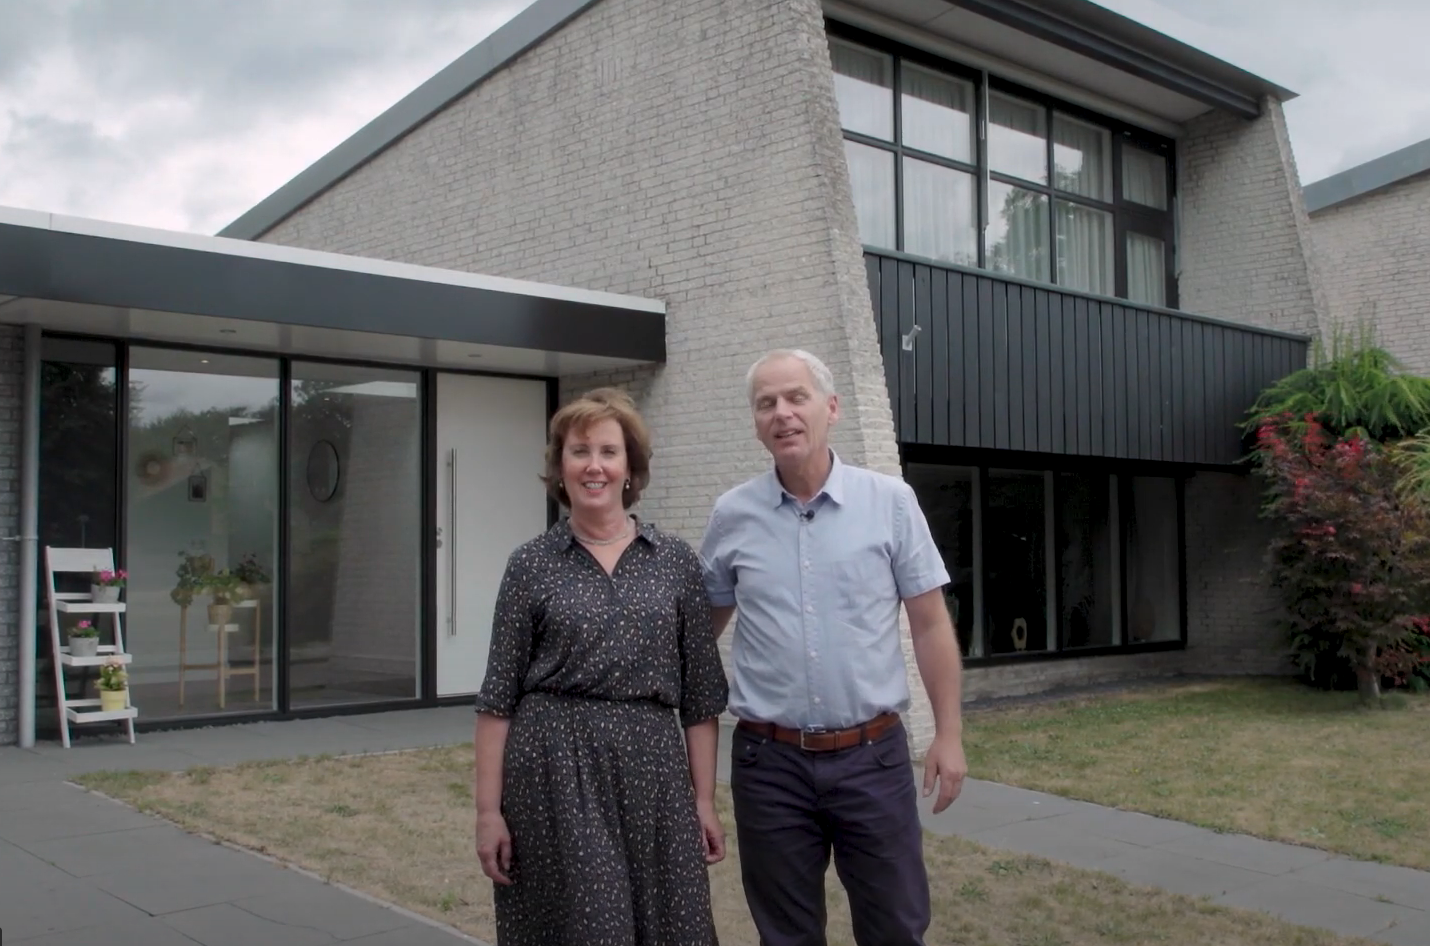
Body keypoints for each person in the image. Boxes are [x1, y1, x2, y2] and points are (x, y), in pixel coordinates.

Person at [699, 349, 967, 946]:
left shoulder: (891, 504)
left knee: (895, 926)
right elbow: (697, 634)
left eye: (796, 397)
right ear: (755, 421)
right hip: (769, 767)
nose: (783, 413)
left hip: (873, 757)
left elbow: (929, 625)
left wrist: (948, 735)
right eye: (766, 403)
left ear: (832, 407)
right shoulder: (732, 515)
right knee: (787, 935)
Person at [473, 387, 729, 946]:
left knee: (675, 924)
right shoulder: (530, 565)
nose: (594, 466)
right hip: (555, 772)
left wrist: (703, 802)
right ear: (559, 468)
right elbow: (497, 701)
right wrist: (488, 812)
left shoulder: (677, 562)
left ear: (630, 468)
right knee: (588, 927)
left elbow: (702, 699)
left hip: (656, 773)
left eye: (609, 452)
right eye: (579, 451)